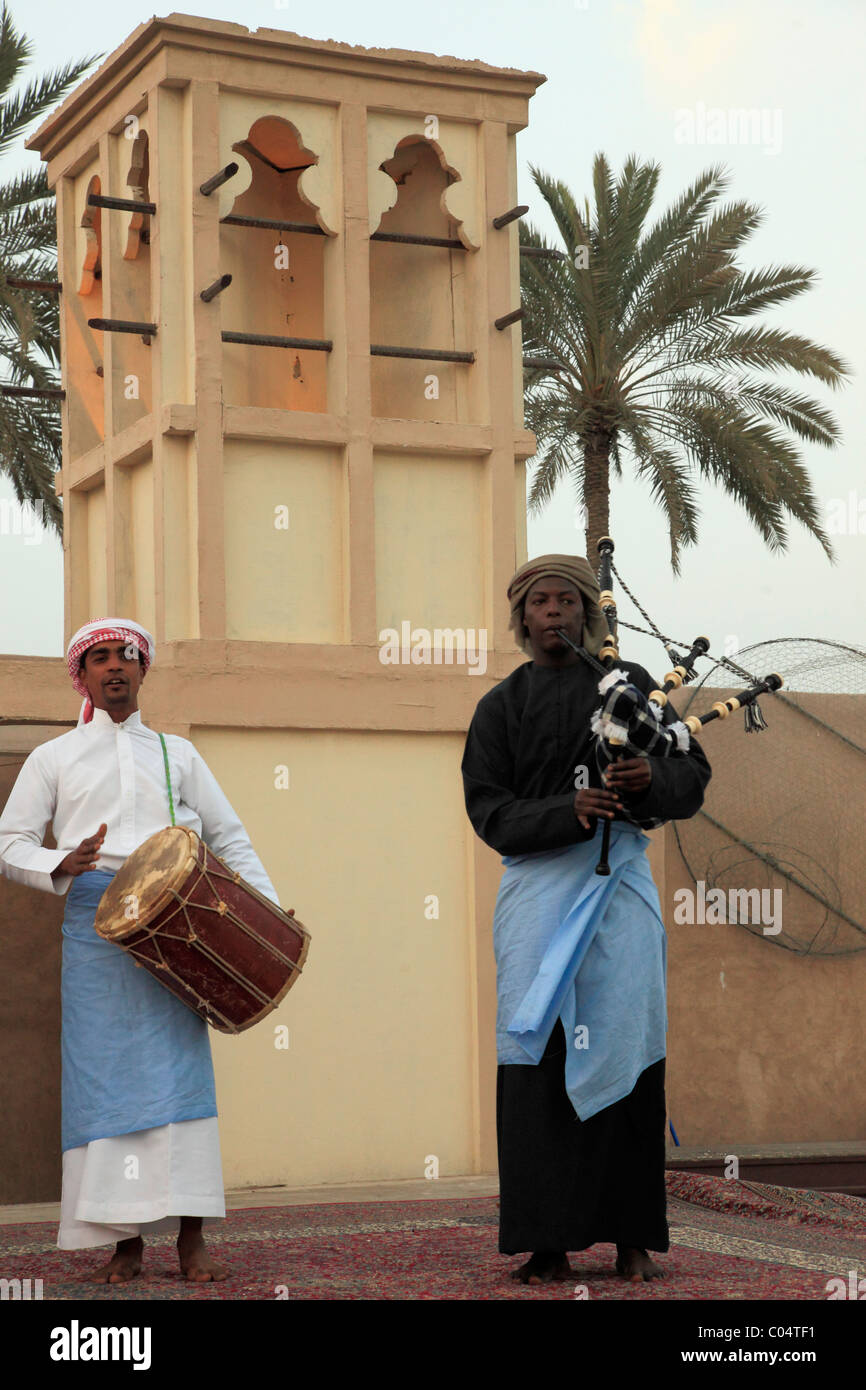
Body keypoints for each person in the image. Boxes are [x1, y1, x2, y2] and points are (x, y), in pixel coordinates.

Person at [0, 618, 281, 1284]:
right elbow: (8, 844)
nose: (115, 668)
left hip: (181, 922)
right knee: (104, 1080)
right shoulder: (55, 757)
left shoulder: (178, 753)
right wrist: (63, 859)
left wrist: (264, 915)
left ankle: (191, 1237)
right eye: (100, 659)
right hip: (95, 923)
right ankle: (124, 1243)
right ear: (82, 675)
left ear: (144, 670)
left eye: (126, 657)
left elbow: (230, 839)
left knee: (179, 1075)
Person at [461, 556, 711, 1285]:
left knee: (628, 1051)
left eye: (566, 600)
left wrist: (649, 779)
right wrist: (564, 811)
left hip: (620, 891)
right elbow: (489, 810)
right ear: (522, 618)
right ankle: (547, 1241)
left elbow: (691, 774)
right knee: (537, 1055)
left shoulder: (630, 686)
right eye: (539, 602)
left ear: (586, 614)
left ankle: (633, 1238)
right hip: (538, 898)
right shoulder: (500, 708)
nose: (554, 613)